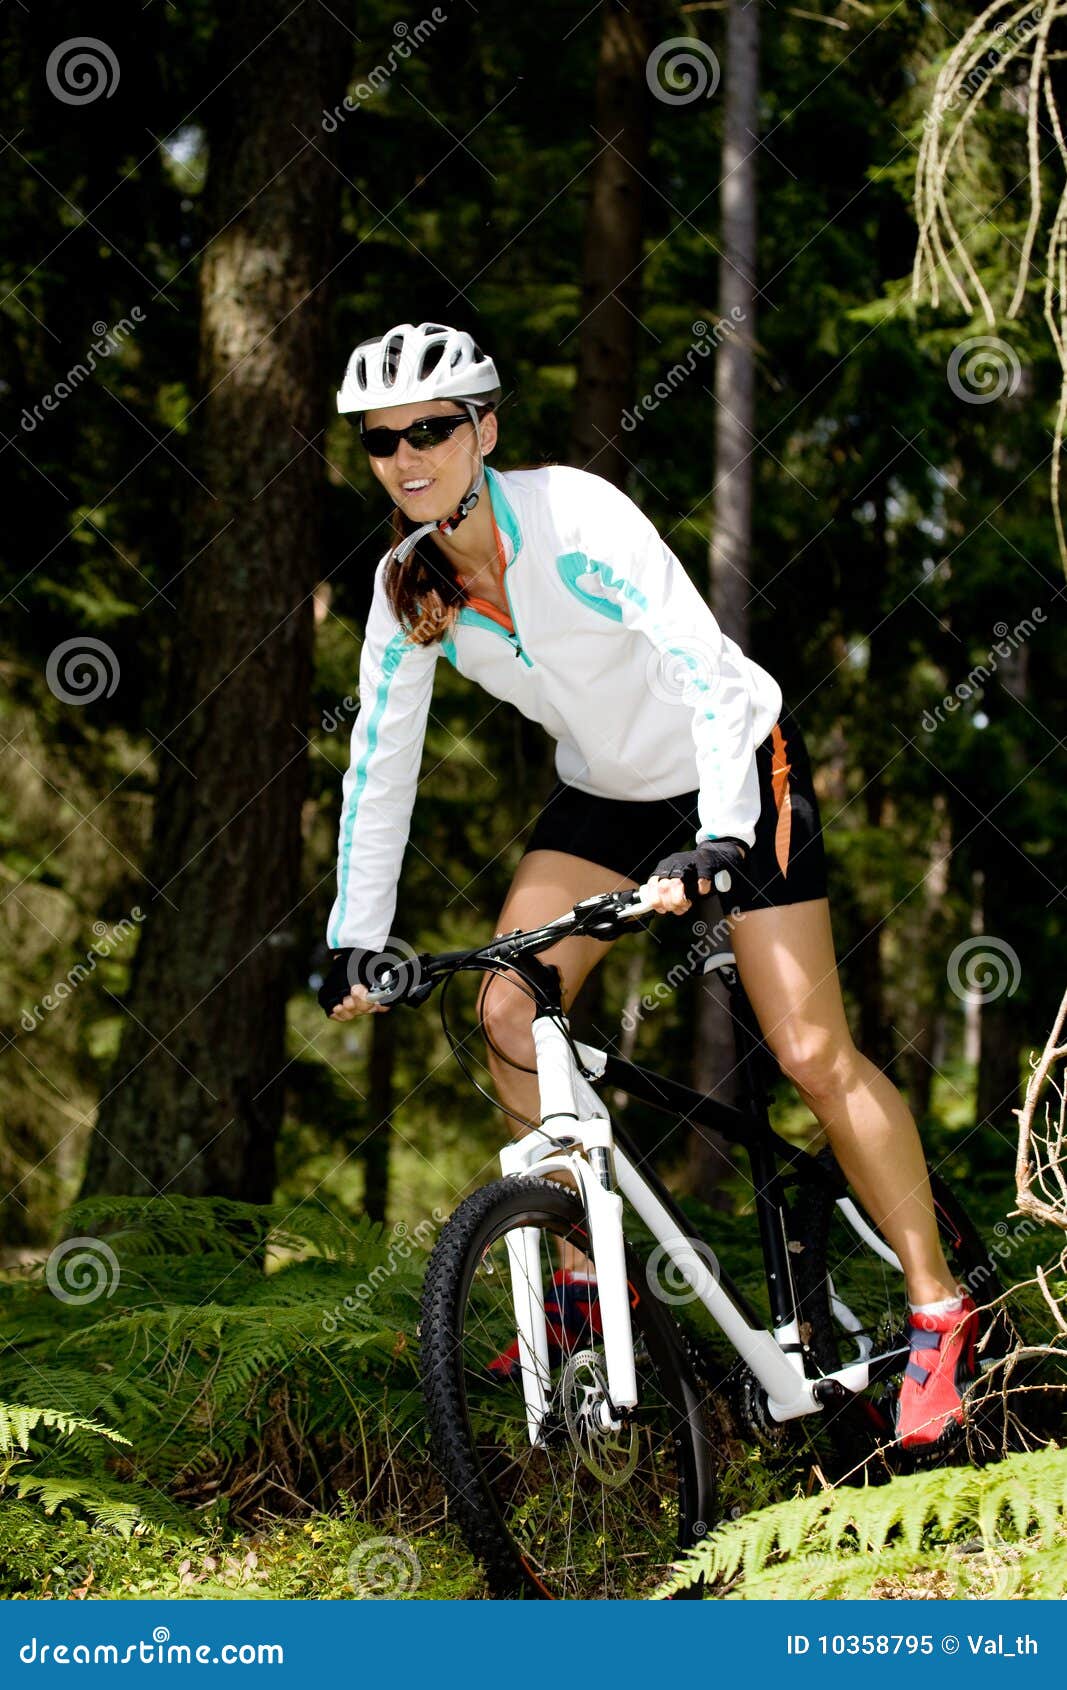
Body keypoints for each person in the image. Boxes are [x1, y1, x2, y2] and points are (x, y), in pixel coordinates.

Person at [317, 320, 977, 1450]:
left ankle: (935, 1308)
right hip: (608, 800)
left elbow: (704, 668)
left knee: (812, 1054)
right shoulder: (403, 585)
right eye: (381, 441)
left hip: (733, 765)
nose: (406, 456)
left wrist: (723, 833)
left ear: (483, 426)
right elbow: (380, 758)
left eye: (430, 429)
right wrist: (354, 934)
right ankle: (584, 1288)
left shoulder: (574, 514)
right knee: (507, 1008)